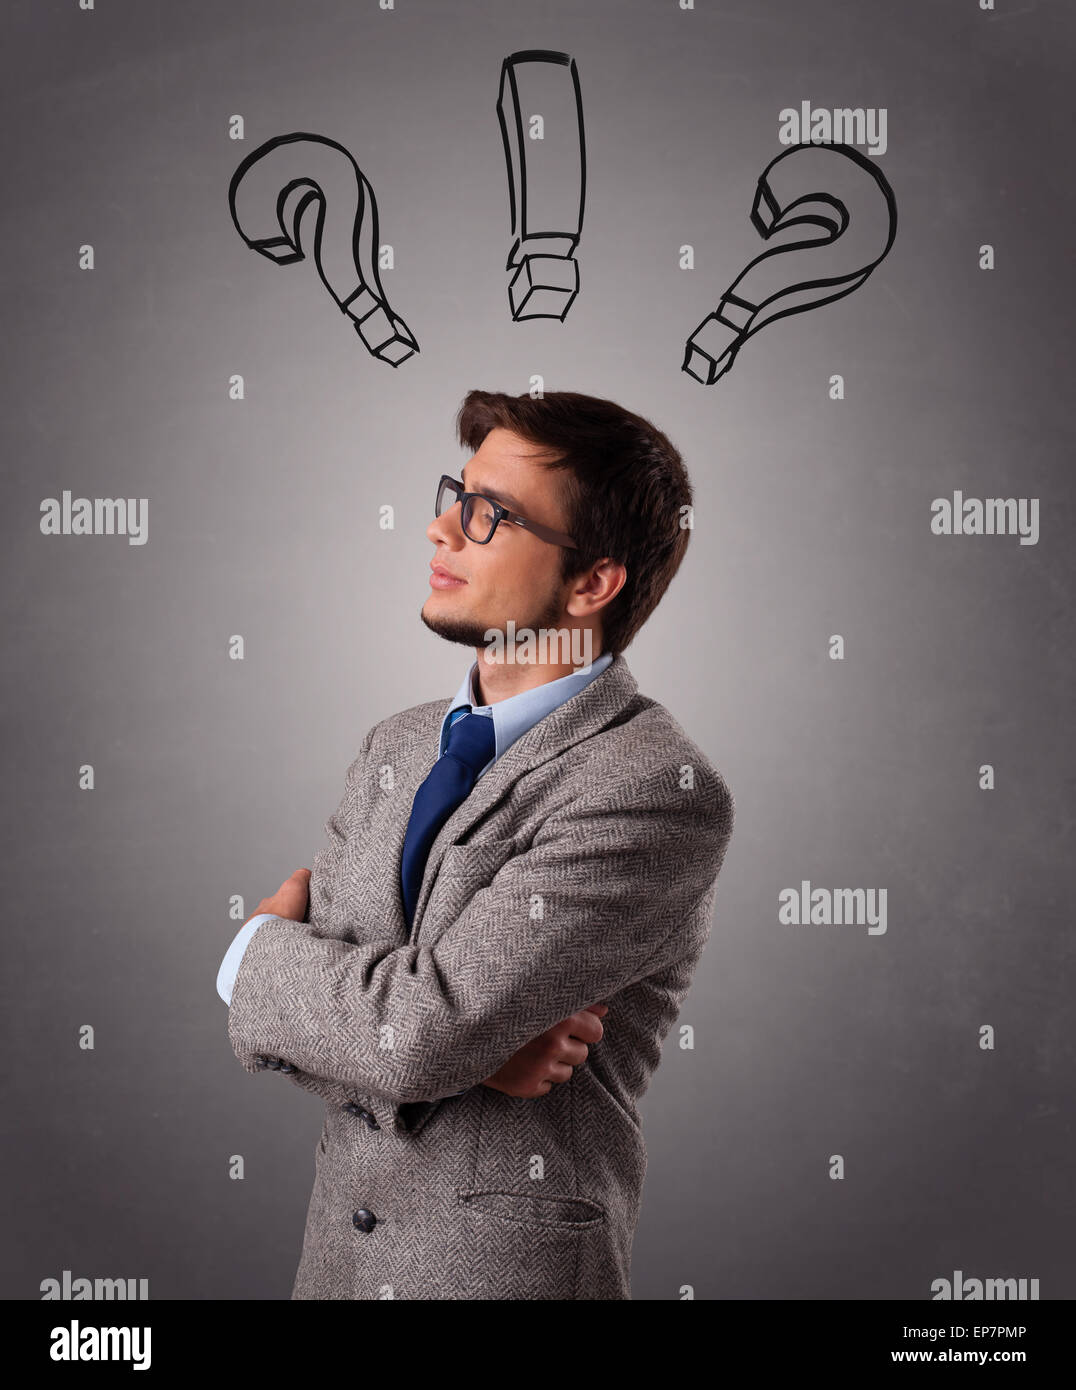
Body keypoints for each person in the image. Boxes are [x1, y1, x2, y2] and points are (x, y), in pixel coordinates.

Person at [217, 388, 735, 1299]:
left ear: (591, 583)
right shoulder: (396, 745)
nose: (440, 530)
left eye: (489, 514)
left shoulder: (653, 791)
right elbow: (414, 1036)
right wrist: (456, 1048)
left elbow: (415, 1034)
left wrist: (250, 957)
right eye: (457, 493)